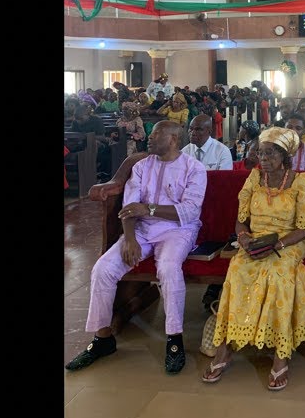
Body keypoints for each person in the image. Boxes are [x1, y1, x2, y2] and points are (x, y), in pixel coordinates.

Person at [67, 121, 208, 374]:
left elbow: (189, 211)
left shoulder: (193, 168)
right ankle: (102, 339)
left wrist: (149, 209)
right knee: (103, 269)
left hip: (178, 230)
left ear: (174, 139)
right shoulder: (142, 166)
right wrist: (129, 238)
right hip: (141, 229)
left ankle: (174, 340)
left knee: (168, 267)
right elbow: (130, 206)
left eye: (155, 135)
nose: (150, 139)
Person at [201, 128, 305, 390]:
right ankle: (226, 347)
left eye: (269, 153)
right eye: (259, 152)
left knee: (278, 273)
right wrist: (243, 238)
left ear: (283, 155)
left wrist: (278, 244)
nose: (262, 158)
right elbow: (241, 220)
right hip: (256, 240)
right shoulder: (254, 179)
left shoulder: (299, 181)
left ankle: (281, 354)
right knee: (239, 268)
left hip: (289, 241)